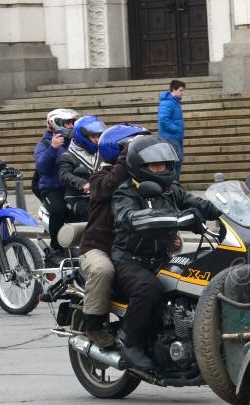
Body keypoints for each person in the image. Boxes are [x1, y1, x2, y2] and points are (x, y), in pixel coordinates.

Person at [111, 135, 221, 371]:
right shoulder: (126, 193)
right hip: (130, 262)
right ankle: (130, 343)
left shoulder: (171, 191)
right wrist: (180, 218)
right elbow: (130, 218)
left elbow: (197, 203)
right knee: (148, 288)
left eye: (163, 165)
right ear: (140, 167)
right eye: (154, 165)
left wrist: (227, 211)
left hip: (161, 259)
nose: (160, 169)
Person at [76, 123, 151, 349]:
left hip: (133, 250)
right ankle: (94, 325)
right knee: (103, 270)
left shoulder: (146, 178)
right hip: (98, 247)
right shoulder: (101, 177)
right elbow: (108, 186)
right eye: (134, 146)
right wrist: (129, 155)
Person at [34, 108, 79, 254]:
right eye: (67, 123)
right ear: (55, 123)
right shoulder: (44, 144)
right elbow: (42, 168)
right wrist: (53, 148)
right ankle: (56, 247)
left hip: (74, 185)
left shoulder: (76, 141)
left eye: (73, 122)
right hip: (52, 188)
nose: (71, 126)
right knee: (58, 210)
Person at [58, 115, 107, 221]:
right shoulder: (67, 156)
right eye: (93, 136)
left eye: (99, 136)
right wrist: (82, 183)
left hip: (101, 196)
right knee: (90, 215)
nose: (97, 140)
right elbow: (64, 175)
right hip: (78, 197)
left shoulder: (104, 153)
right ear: (82, 137)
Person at [157, 79, 185, 183]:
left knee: (177, 161)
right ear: (174, 90)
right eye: (181, 90)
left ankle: (174, 183)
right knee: (175, 161)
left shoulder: (175, 102)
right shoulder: (168, 103)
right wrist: (176, 129)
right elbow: (163, 120)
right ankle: (173, 183)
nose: (183, 93)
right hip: (170, 137)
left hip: (176, 137)